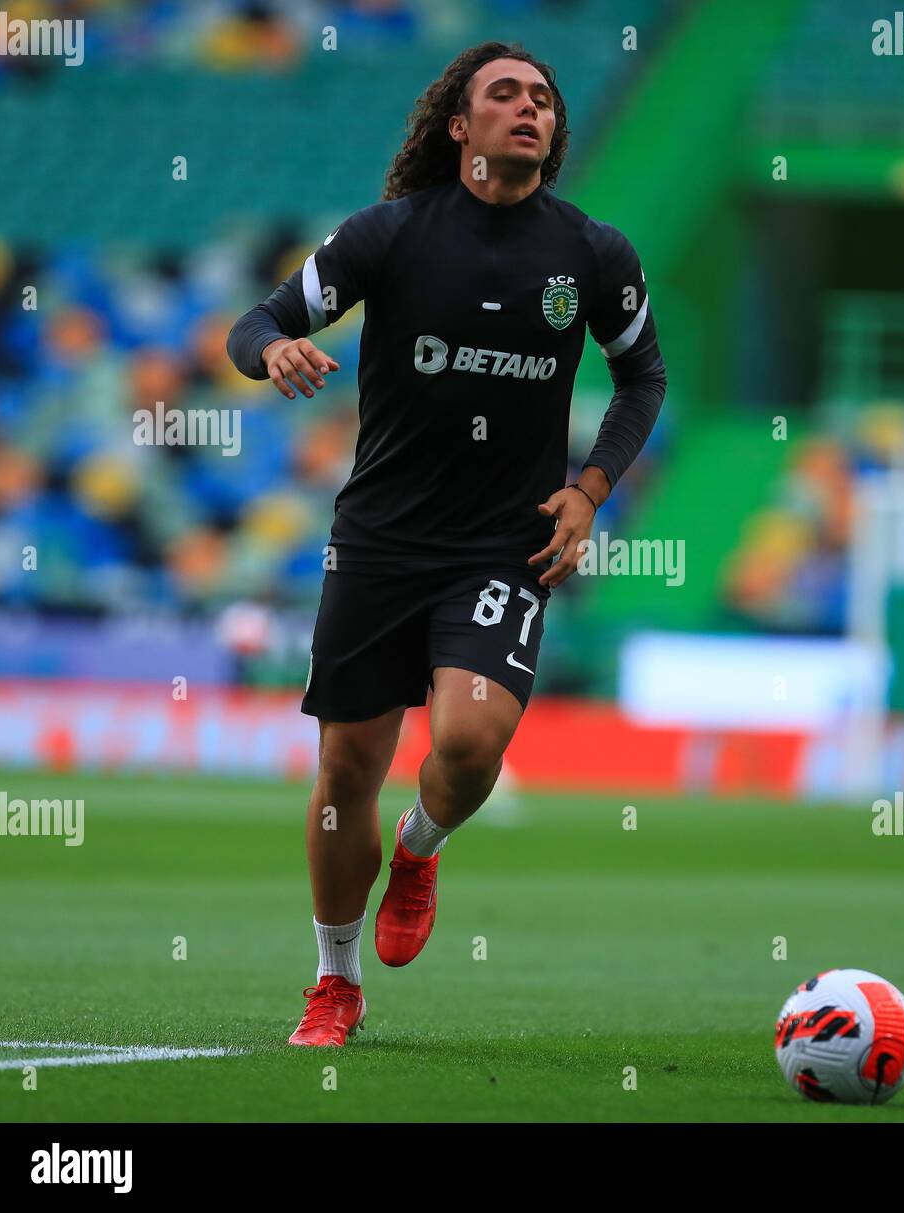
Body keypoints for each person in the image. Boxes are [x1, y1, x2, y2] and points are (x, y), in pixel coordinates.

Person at [226, 41, 667, 1045]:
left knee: (467, 745)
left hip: (500, 547)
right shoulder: (385, 236)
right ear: (458, 126)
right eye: (503, 94)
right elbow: (252, 323)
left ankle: (419, 848)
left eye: (544, 99)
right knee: (344, 775)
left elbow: (644, 378)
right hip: (379, 541)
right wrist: (277, 350)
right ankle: (333, 982)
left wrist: (589, 490)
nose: (529, 108)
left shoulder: (593, 255)